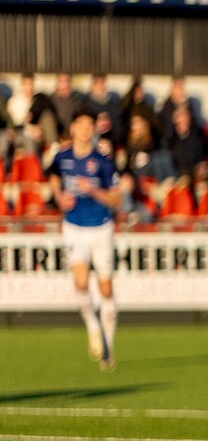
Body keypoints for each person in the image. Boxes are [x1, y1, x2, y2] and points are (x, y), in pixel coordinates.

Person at [47, 109, 121, 370]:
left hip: (101, 227)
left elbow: (116, 198)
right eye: (81, 125)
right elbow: (54, 177)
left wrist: (95, 191)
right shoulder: (62, 156)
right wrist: (59, 197)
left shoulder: (102, 161)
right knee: (80, 282)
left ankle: (108, 346)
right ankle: (93, 325)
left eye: (91, 126)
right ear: (74, 128)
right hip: (74, 227)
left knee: (106, 289)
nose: (86, 130)